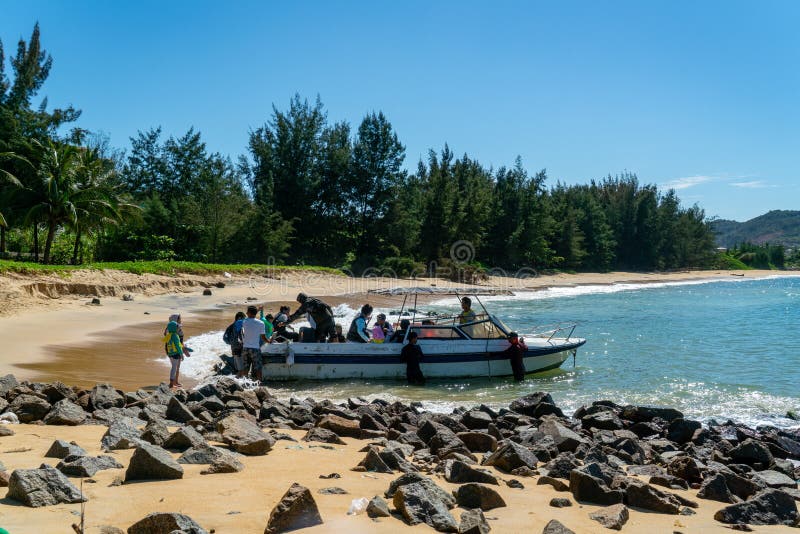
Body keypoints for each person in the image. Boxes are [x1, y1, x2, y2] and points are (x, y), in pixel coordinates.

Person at [241, 305, 269, 381]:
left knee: (245, 368)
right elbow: (263, 338)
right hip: (255, 349)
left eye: (247, 312)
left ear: (249, 313)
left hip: (245, 348)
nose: (246, 313)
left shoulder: (244, 321)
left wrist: (258, 310)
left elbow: (249, 318)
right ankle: (259, 385)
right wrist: (269, 341)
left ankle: (244, 383)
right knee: (258, 368)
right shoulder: (261, 323)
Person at [163, 316, 191, 389]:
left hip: (170, 353)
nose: (179, 327)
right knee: (175, 368)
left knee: (174, 367)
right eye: (177, 327)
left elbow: (164, 340)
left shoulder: (168, 334)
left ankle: (173, 382)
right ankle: (172, 383)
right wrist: (182, 354)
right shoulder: (175, 335)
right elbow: (178, 345)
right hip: (176, 353)